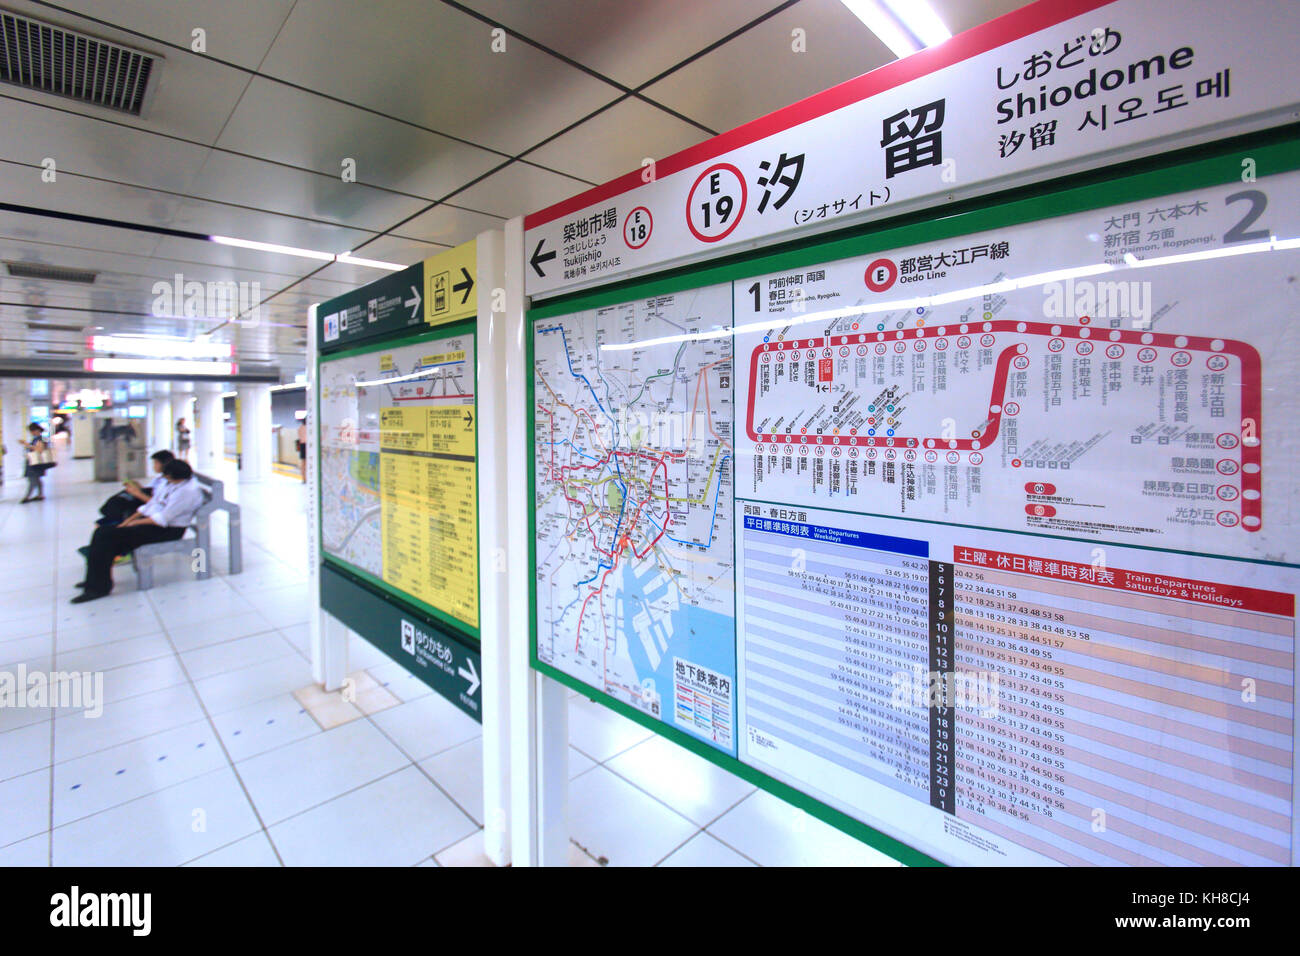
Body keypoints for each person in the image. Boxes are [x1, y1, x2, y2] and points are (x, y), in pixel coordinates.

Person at [73, 459, 204, 603]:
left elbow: (162, 518)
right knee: (102, 533)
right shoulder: (172, 483)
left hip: (167, 530)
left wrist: (135, 523)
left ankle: (98, 587)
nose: (165, 479)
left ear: (175, 476)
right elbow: (152, 505)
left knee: (105, 537)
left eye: (167, 476)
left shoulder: (187, 492)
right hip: (153, 523)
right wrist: (127, 522)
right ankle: (94, 581)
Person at [94, 449, 174, 527]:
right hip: (139, 504)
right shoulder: (158, 479)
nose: (154, 466)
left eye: (156, 463)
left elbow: (156, 502)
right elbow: (148, 490)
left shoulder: (167, 483)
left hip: (144, 507)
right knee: (119, 499)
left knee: (119, 502)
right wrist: (137, 486)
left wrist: (137, 493)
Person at [18, 422, 53, 502]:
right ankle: (40, 494)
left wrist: (27, 445)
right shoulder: (37, 438)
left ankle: (27, 496)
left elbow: (39, 449)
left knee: (32, 479)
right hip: (34, 461)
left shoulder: (40, 439)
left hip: (35, 462)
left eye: (31, 431)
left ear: (36, 430)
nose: (31, 433)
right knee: (36, 479)